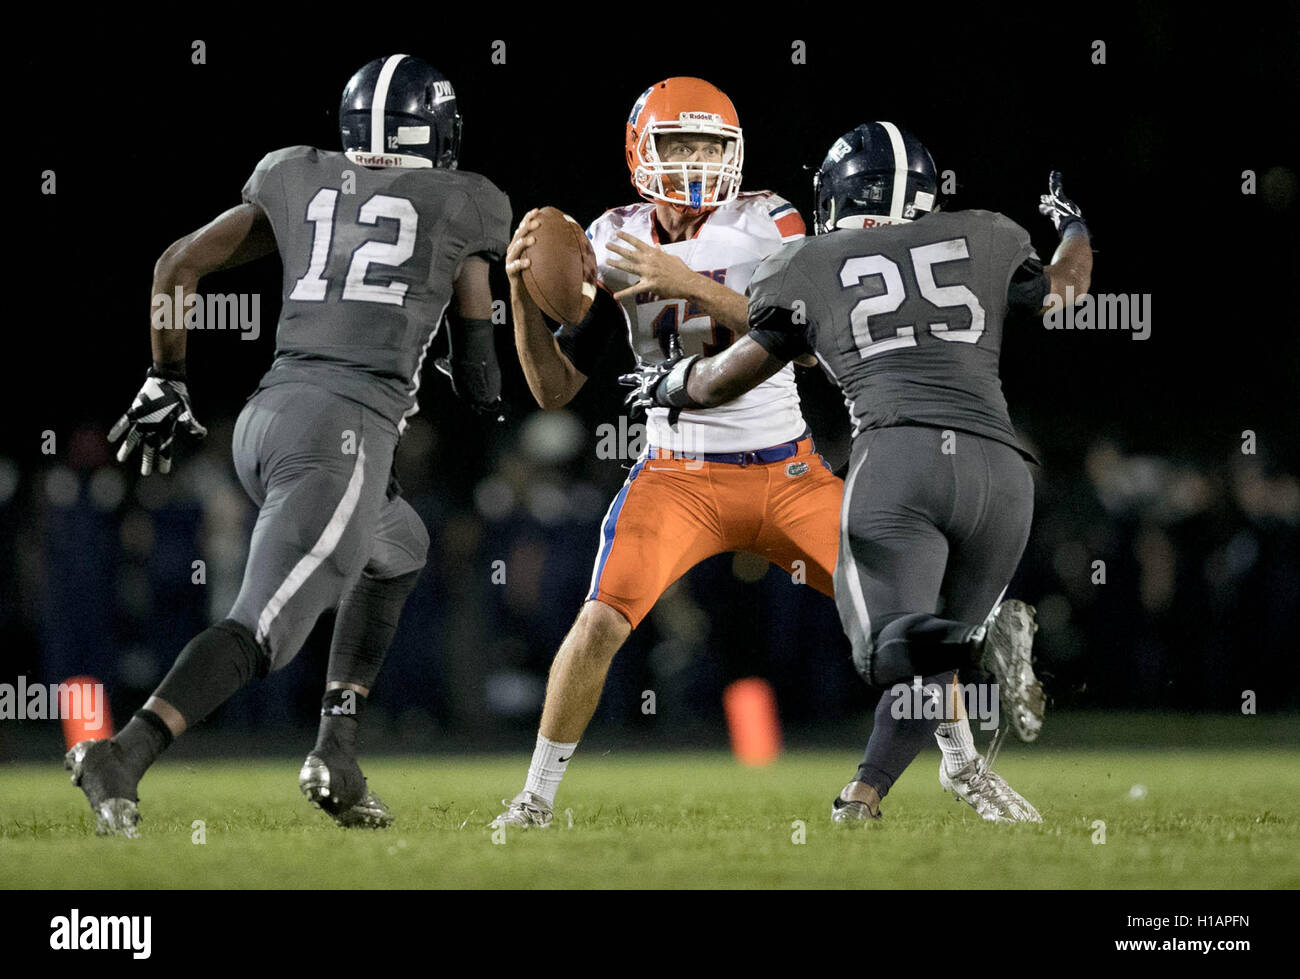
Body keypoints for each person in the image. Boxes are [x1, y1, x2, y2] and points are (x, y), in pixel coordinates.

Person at [493, 84, 1030, 829]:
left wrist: (685, 284)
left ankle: (962, 763)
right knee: (601, 622)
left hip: (786, 470)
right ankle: (535, 797)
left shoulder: (769, 220)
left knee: (907, 612)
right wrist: (523, 296)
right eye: (680, 145)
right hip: (677, 473)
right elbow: (552, 389)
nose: (697, 161)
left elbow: (811, 344)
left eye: (710, 147)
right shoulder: (608, 235)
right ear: (639, 149)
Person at [68, 54, 511, 836]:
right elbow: (479, 376)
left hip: (265, 418)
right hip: (341, 434)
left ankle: (336, 750)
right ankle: (123, 752)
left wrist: (166, 378)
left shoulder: (296, 173)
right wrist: (474, 349)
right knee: (263, 627)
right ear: (439, 130)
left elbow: (179, 263)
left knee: (399, 544)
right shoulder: (470, 201)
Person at [627, 121, 1093, 821]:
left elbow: (728, 376)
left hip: (900, 462)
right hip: (1003, 472)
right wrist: (1077, 226)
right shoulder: (986, 233)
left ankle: (980, 640)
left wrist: (669, 386)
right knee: (931, 669)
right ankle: (864, 795)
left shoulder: (810, 261)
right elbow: (1065, 288)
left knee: (887, 651)